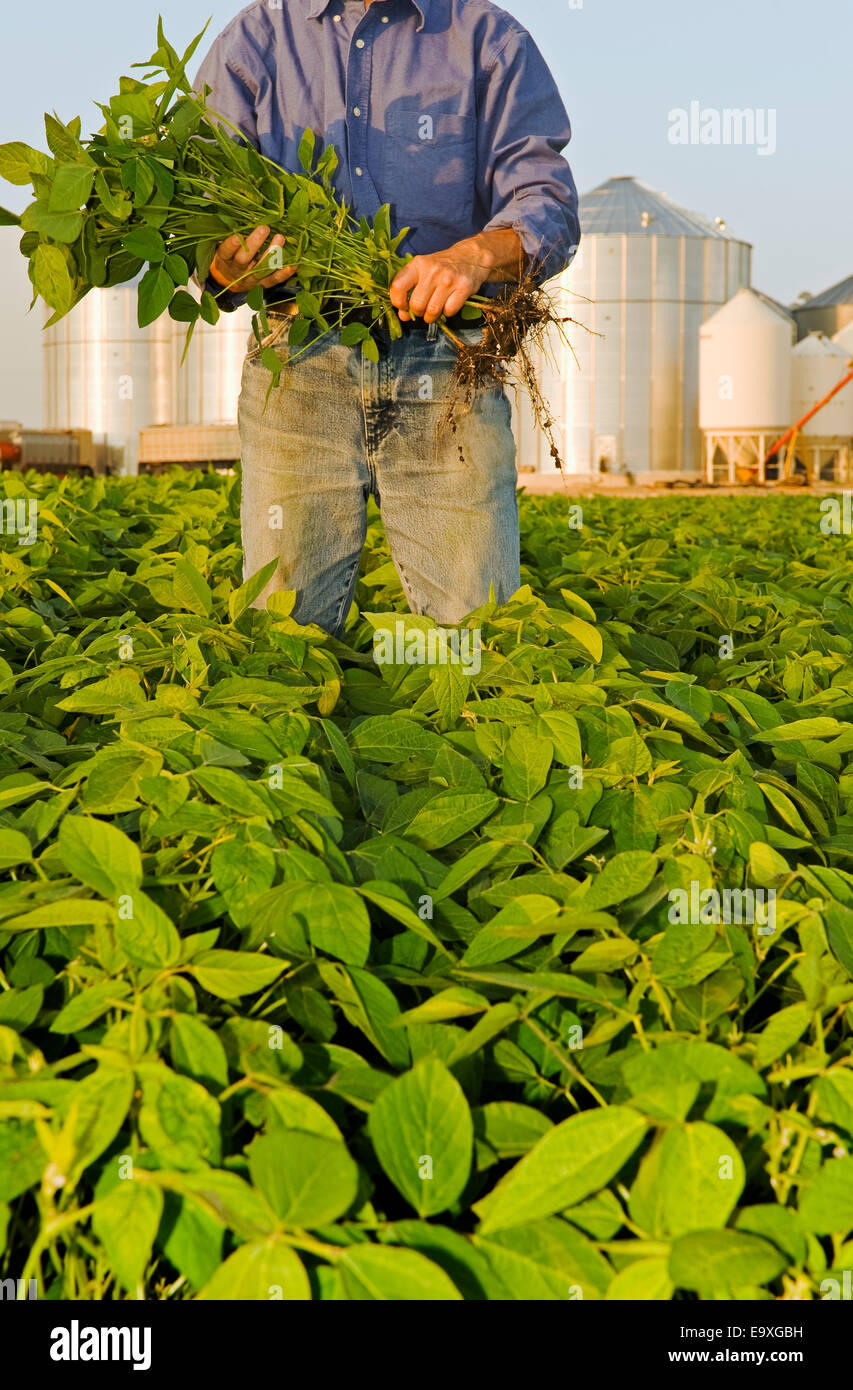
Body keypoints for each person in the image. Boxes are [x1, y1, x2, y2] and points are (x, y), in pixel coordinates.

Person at [195, 0, 580, 635]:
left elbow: (547, 200)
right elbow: (203, 201)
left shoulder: (488, 39)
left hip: (447, 362)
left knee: (474, 630)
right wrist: (225, 262)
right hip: (297, 362)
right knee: (285, 636)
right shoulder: (256, 40)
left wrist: (474, 255)